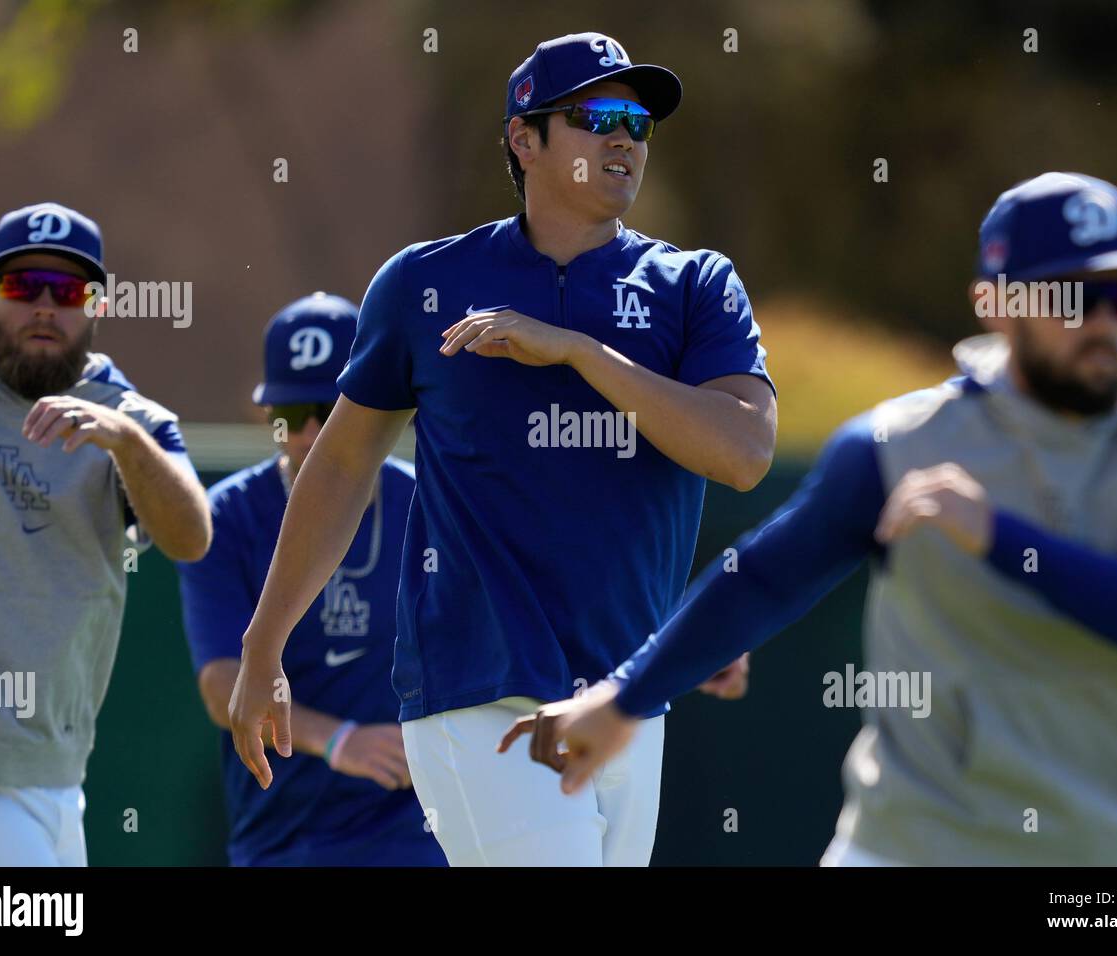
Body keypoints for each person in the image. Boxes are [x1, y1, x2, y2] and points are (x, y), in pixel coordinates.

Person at [502, 172, 1117, 867]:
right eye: (1075, 297)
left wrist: (997, 537)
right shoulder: (898, 444)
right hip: (903, 844)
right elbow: (765, 577)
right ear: (995, 303)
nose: (1103, 321)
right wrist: (624, 697)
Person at [228, 32, 775, 866]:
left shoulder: (697, 284)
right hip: (479, 690)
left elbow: (742, 453)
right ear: (526, 139)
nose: (625, 137)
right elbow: (341, 465)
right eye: (596, 116)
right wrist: (263, 648)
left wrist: (580, 352)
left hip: (628, 701)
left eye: (637, 120)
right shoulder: (422, 283)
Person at [0, 201, 211, 865]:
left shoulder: (132, 419)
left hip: (56, 774)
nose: (45, 307)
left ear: (99, 307)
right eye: (24, 287)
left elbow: (192, 537)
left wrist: (126, 446)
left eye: (69, 291)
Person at [176, 293, 445, 866]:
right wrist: (339, 739)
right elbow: (222, 684)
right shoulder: (226, 516)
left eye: (327, 411)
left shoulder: (429, 504)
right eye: (290, 417)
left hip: (414, 821)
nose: (307, 434)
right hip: (286, 830)